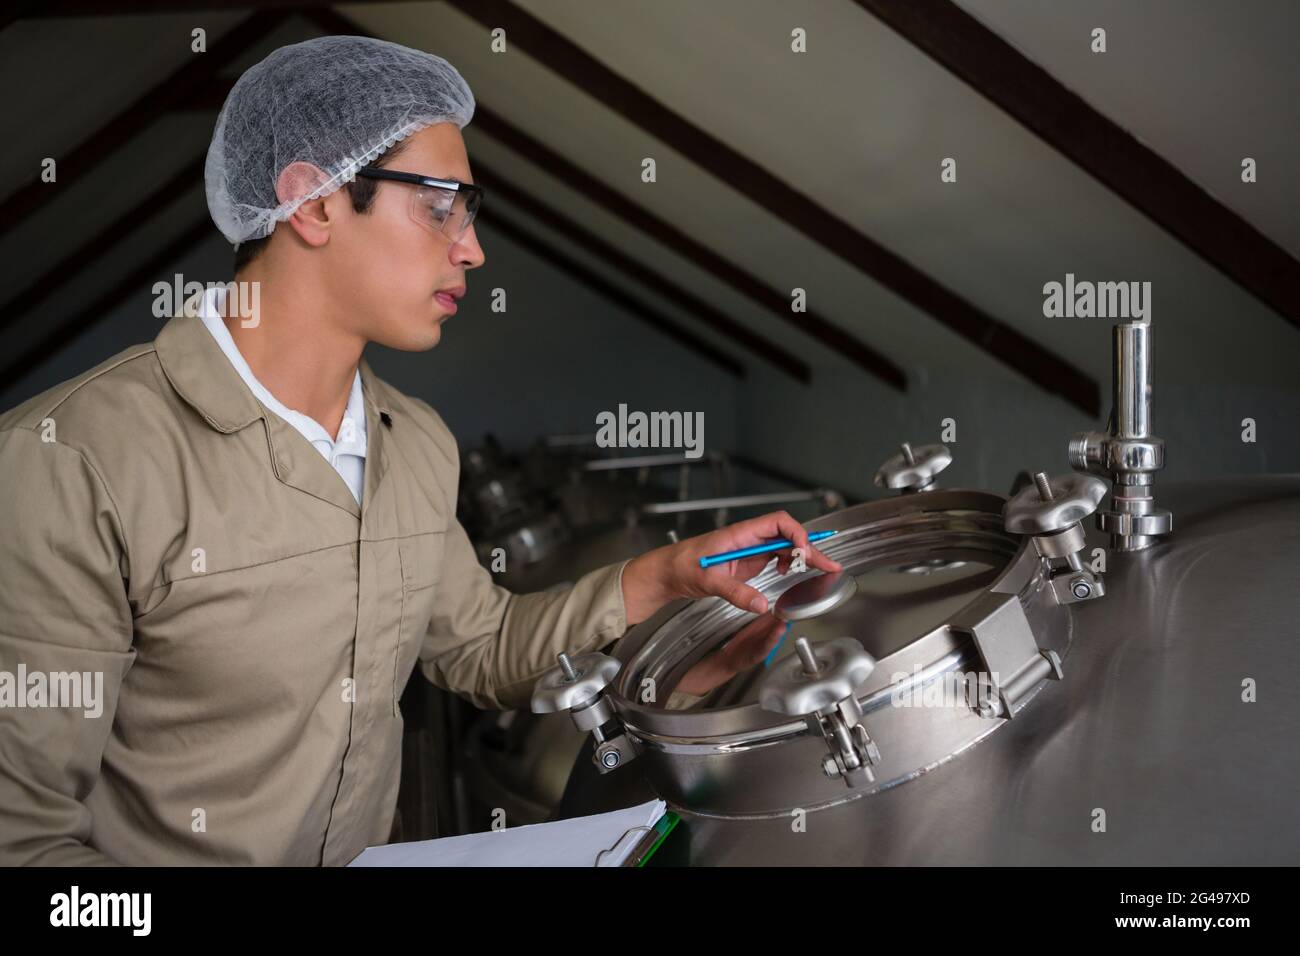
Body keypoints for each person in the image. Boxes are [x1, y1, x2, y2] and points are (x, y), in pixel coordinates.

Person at [0, 35, 839, 865]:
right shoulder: (73, 462)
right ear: (314, 201)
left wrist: (664, 575)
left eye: (468, 215)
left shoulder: (414, 441)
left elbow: (476, 646)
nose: (471, 248)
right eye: (441, 205)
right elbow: (25, 842)